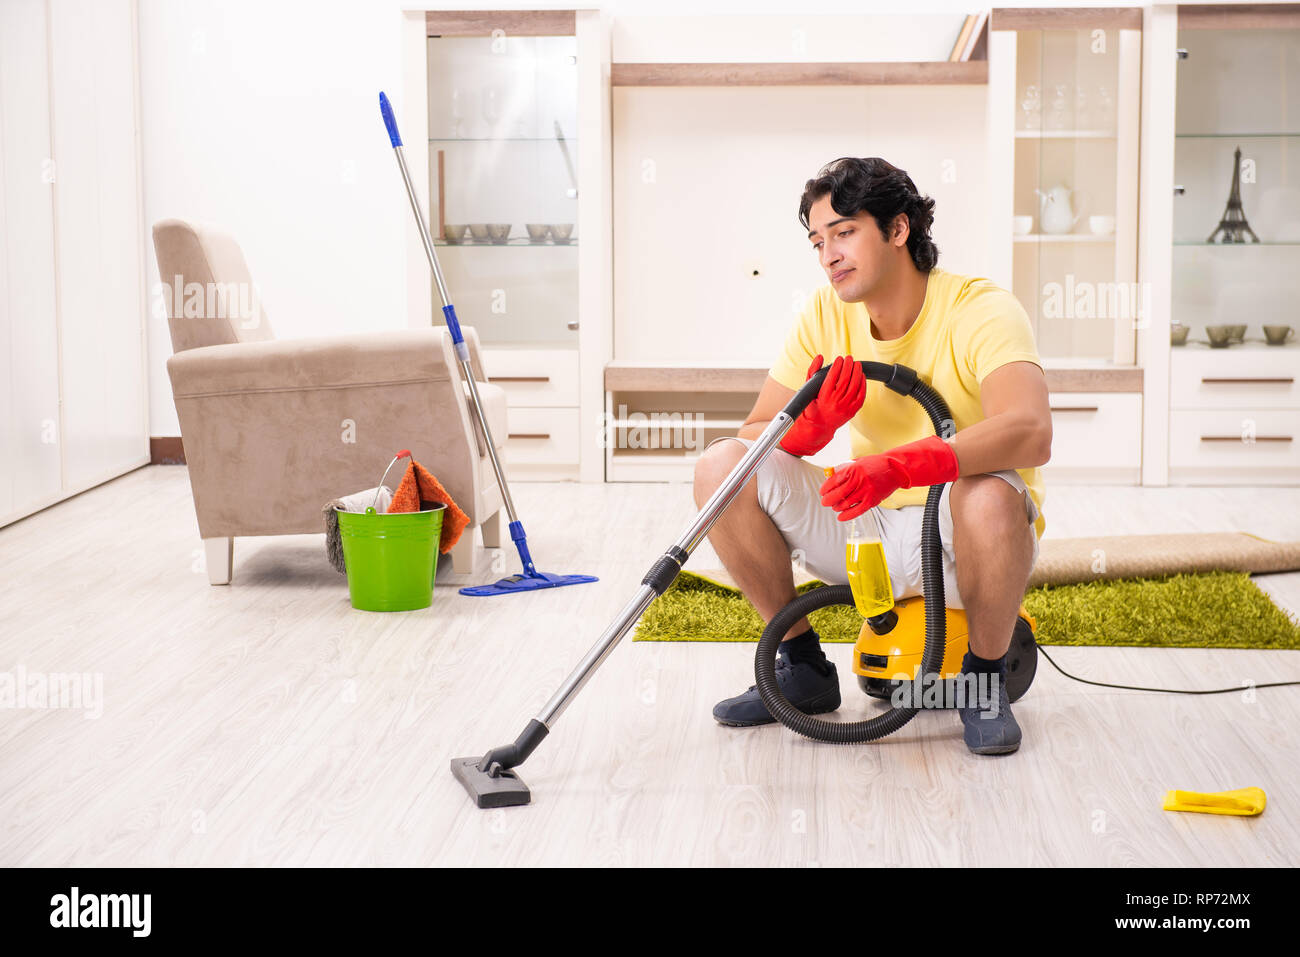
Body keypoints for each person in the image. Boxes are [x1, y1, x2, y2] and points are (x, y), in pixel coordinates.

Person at [694, 157, 1052, 755]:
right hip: (869, 527)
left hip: (962, 534)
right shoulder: (822, 314)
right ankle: (802, 666)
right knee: (719, 468)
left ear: (898, 228)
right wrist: (812, 427)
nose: (828, 254)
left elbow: (1030, 431)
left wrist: (904, 465)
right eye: (817, 241)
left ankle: (985, 682)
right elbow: (754, 433)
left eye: (844, 231)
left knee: (987, 493)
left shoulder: (979, 309)